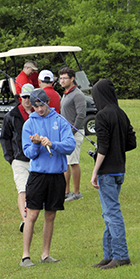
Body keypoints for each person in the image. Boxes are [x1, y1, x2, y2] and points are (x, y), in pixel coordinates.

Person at [20, 88, 76, 267]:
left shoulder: (60, 121)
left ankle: (45, 254)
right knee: (33, 214)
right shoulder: (29, 124)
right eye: (36, 106)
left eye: (42, 105)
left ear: (47, 103)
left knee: (50, 215)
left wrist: (53, 144)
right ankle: (25, 256)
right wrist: (36, 145)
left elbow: (70, 145)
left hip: (57, 175)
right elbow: (28, 152)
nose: (39, 110)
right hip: (37, 175)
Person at [90, 79, 137, 270]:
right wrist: (117, 148)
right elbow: (131, 143)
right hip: (119, 170)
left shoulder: (102, 115)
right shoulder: (121, 113)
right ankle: (109, 255)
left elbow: (103, 146)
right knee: (108, 212)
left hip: (107, 172)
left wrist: (94, 171)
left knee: (112, 213)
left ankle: (121, 256)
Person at [0, 83, 35, 233]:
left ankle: (32, 217)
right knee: (22, 190)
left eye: (29, 97)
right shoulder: (12, 115)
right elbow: (5, 137)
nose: (27, 100)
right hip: (19, 159)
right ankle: (25, 221)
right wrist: (11, 157)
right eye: (24, 97)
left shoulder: (39, 113)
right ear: (20, 98)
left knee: (34, 191)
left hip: (36, 159)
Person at [58, 67, 86, 201]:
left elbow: (81, 115)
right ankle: (66, 191)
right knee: (66, 162)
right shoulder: (66, 93)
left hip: (75, 133)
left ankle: (76, 192)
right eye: (60, 78)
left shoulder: (78, 94)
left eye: (65, 78)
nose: (62, 81)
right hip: (66, 134)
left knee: (73, 162)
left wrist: (71, 132)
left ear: (72, 79)